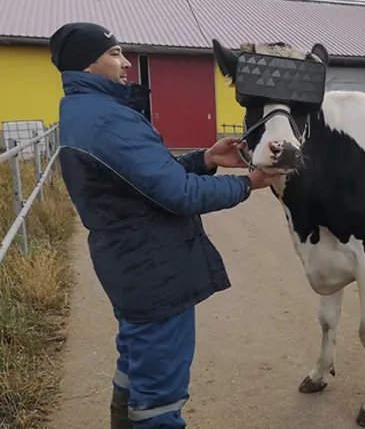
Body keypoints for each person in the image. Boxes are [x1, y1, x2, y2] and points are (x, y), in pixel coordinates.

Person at [48, 22, 281, 429]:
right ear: (89, 64)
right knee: (159, 395)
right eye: (115, 53)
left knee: (135, 359)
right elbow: (180, 194)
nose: (126, 63)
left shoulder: (85, 111)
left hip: (129, 264)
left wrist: (205, 159)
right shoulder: (109, 120)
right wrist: (248, 184)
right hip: (152, 269)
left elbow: (145, 179)